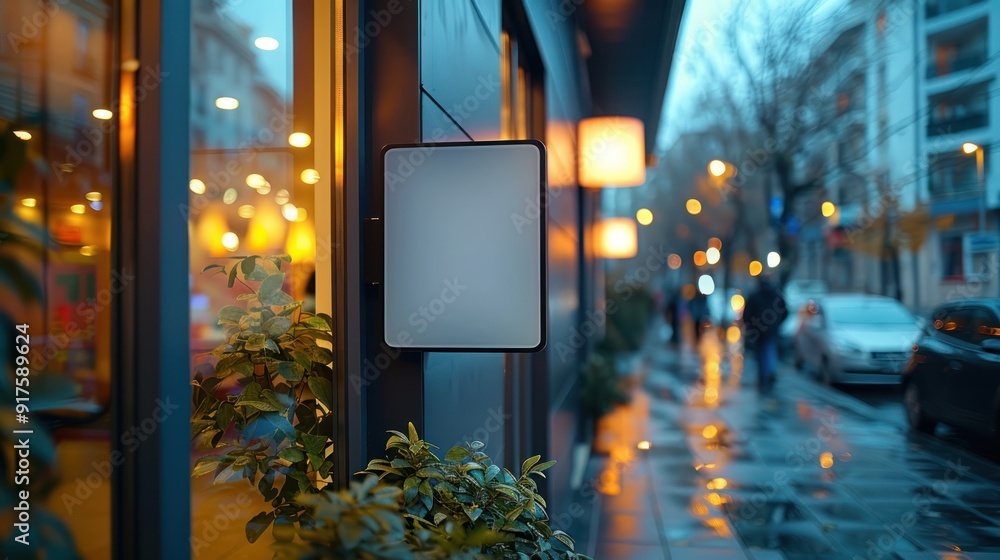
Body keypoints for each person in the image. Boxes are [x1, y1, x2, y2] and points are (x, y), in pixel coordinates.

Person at [742, 276, 788, 393]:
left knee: (761, 354)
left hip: (758, 331)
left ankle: (764, 376)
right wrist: (777, 323)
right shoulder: (776, 296)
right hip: (771, 331)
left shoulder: (754, 296)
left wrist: (751, 325)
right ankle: (769, 373)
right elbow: (785, 312)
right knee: (769, 350)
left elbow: (746, 315)